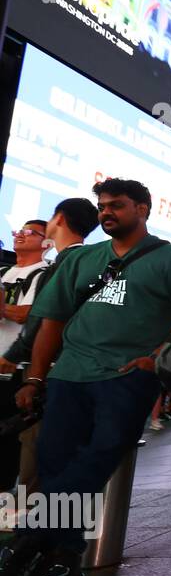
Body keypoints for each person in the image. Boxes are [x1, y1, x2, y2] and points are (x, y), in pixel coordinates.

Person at [0, 179, 171, 576]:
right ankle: (63, 557)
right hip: (69, 376)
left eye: (117, 205)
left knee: (99, 456)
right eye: (102, 207)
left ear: (143, 209)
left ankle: (26, 543)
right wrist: (36, 378)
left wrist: (157, 356)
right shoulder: (83, 260)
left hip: (128, 377)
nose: (106, 212)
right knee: (56, 463)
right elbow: (51, 321)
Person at [0, 198, 98, 492]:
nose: (21, 235)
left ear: (58, 220)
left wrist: (13, 356)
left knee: (37, 451)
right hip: (57, 369)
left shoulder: (67, 263)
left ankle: (36, 527)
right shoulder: (78, 260)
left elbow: (43, 317)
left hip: (51, 370)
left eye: (30, 232)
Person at [0, 218, 51, 490]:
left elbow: (31, 316)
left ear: (47, 243)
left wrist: (4, 309)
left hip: (19, 368)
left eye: (30, 232)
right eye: (19, 230)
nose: (21, 235)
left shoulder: (44, 274)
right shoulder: (4, 272)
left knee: (10, 437)